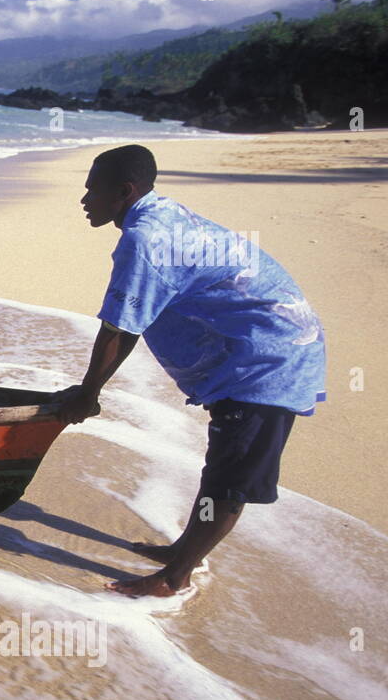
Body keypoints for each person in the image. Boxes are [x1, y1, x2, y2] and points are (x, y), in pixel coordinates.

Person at [58, 144, 326, 597]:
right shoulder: (158, 216)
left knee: (231, 477)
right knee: (220, 462)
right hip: (253, 349)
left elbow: (120, 328)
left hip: (269, 359)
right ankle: (184, 549)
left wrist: (88, 394)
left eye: (92, 190)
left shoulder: (147, 239)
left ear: (125, 191)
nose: (85, 200)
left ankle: (174, 577)